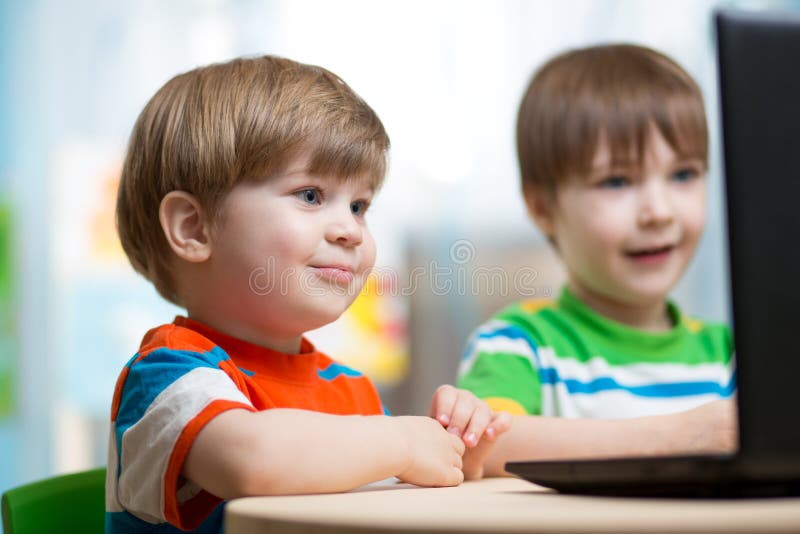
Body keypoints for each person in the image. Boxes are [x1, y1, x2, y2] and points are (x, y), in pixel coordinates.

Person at [108, 55, 510, 533]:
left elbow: (385, 502)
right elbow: (251, 460)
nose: (351, 230)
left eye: (359, 206)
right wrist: (402, 442)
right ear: (193, 227)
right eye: (311, 195)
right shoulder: (167, 376)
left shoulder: (348, 388)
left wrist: (456, 454)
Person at [457, 44, 737, 477]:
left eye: (683, 174)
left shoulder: (730, 355)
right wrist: (682, 437)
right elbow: (487, 448)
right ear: (542, 208)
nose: (659, 211)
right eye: (617, 181)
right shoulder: (519, 347)